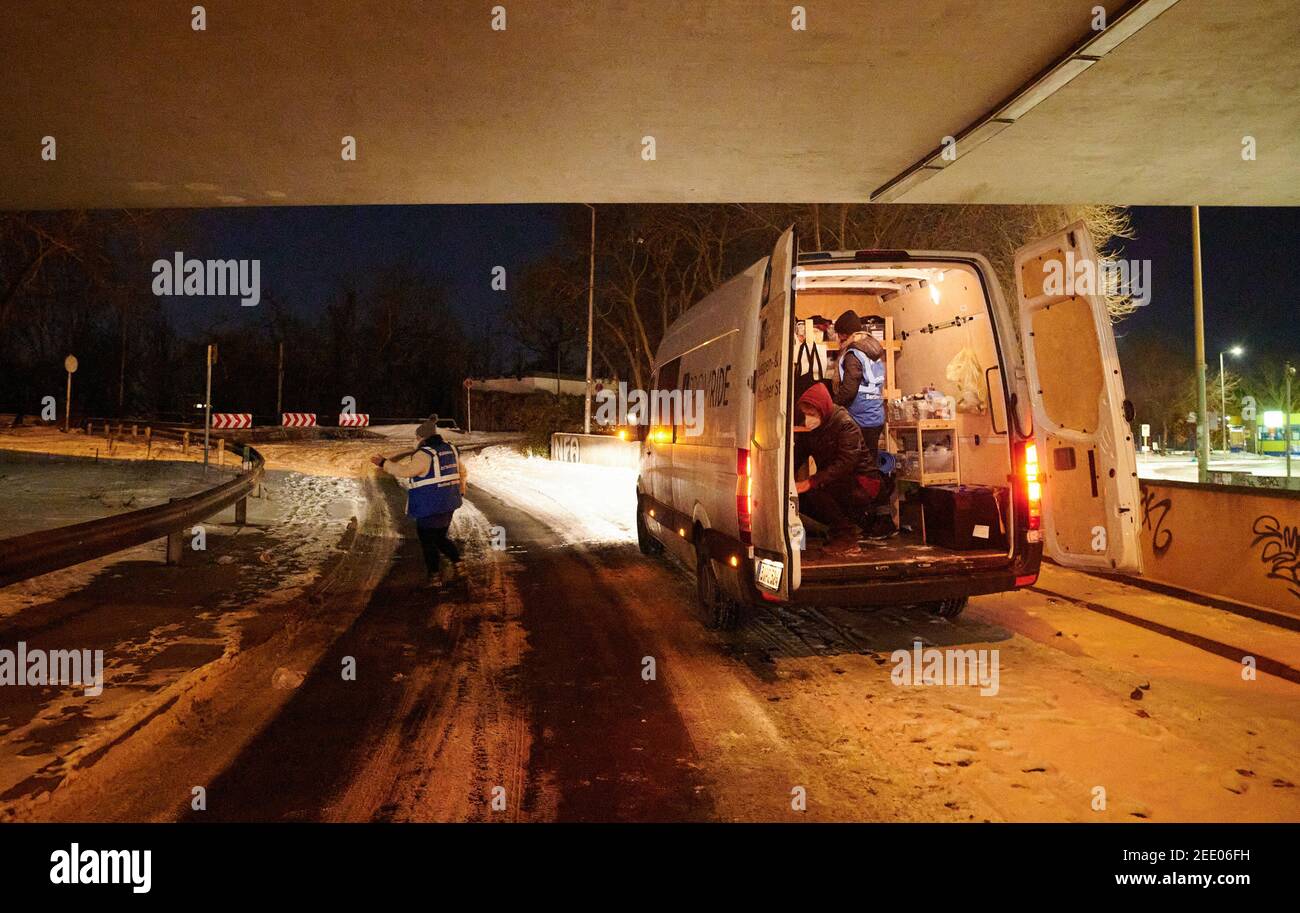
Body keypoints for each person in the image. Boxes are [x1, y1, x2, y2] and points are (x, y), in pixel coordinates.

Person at [371, 415, 467, 587]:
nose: (416, 440)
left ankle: (434, 577)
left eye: (417, 437)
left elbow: (406, 471)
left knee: (428, 541)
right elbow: (462, 472)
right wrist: (461, 491)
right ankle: (458, 564)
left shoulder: (424, 454)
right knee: (439, 537)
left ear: (423, 437)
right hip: (449, 503)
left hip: (430, 505)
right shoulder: (451, 449)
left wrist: (384, 463)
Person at [793, 383, 876, 551]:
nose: (808, 418)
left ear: (822, 409)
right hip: (838, 479)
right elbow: (798, 455)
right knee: (802, 498)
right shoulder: (812, 428)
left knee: (817, 490)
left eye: (811, 413)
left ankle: (847, 537)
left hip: (863, 481)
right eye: (805, 413)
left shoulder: (845, 424)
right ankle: (838, 530)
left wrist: (812, 481)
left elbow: (846, 462)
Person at [832, 310, 887, 465]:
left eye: (838, 334)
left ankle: (869, 489)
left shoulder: (853, 354)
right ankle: (876, 488)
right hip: (875, 416)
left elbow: (849, 390)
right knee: (870, 464)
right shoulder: (872, 349)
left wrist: (832, 407)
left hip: (859, 418)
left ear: (843, 334)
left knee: (857, 466)